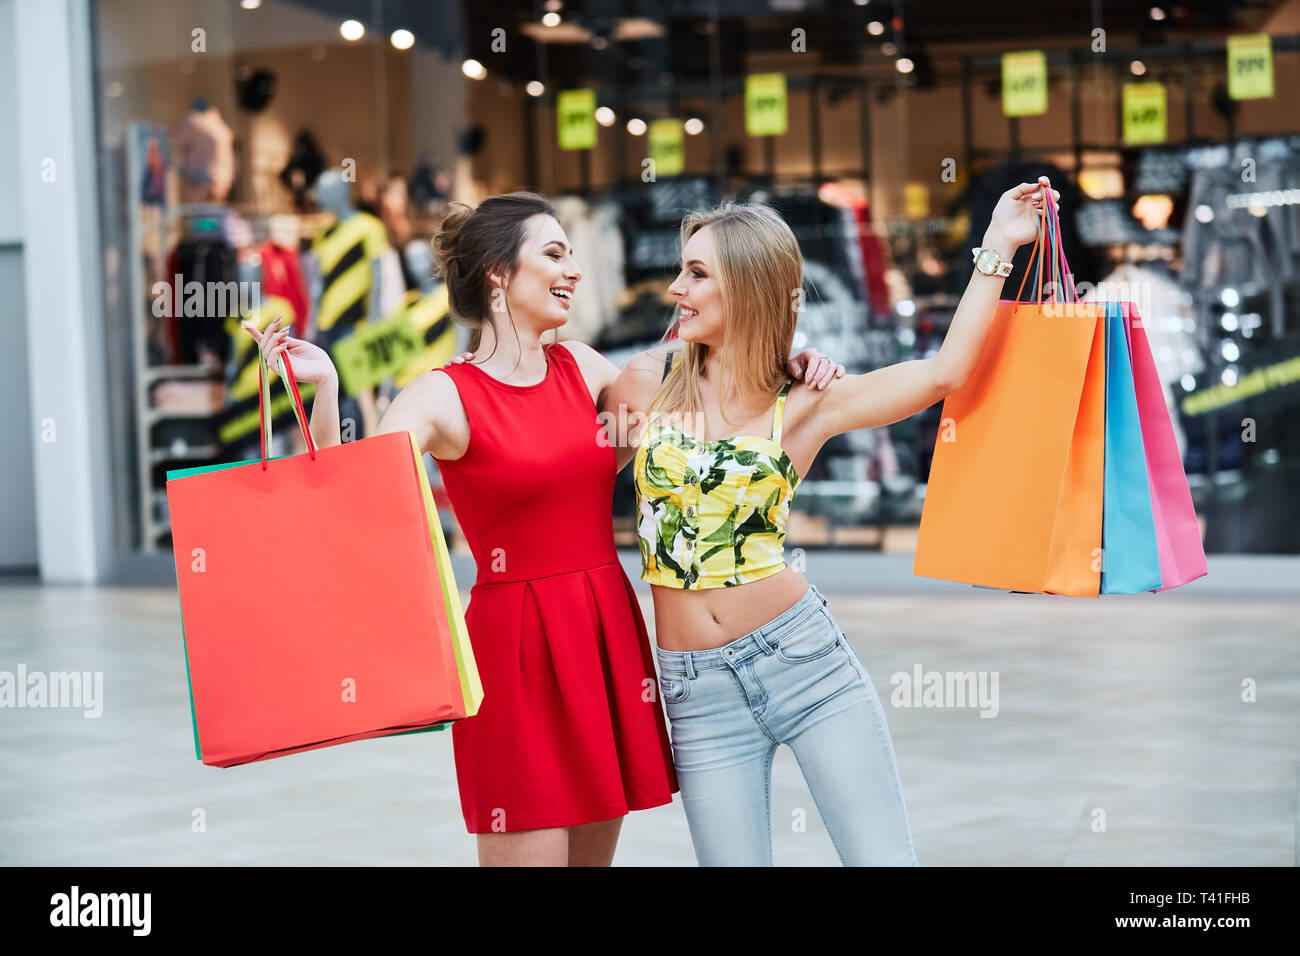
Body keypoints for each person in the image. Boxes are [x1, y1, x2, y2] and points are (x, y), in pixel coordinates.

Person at [244, 191, 841, 866]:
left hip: (603, 637)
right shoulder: (443, 393)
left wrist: (789, 370)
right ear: (498, 274)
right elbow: (353, 496)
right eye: (554, 253)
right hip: (515, 654)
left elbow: (697, 416)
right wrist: (324, 391)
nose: (574, 270)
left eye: (572, 254)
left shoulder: (584, 368)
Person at [598, 177, 1060, 866]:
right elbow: (556, 447)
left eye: (696, 274)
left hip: (805, 664)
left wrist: (998, 244)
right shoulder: (645, 383)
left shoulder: (810, 402)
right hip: (693, 687)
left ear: (749, 287)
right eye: (681, 271)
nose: (675, 289)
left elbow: (944, 373)